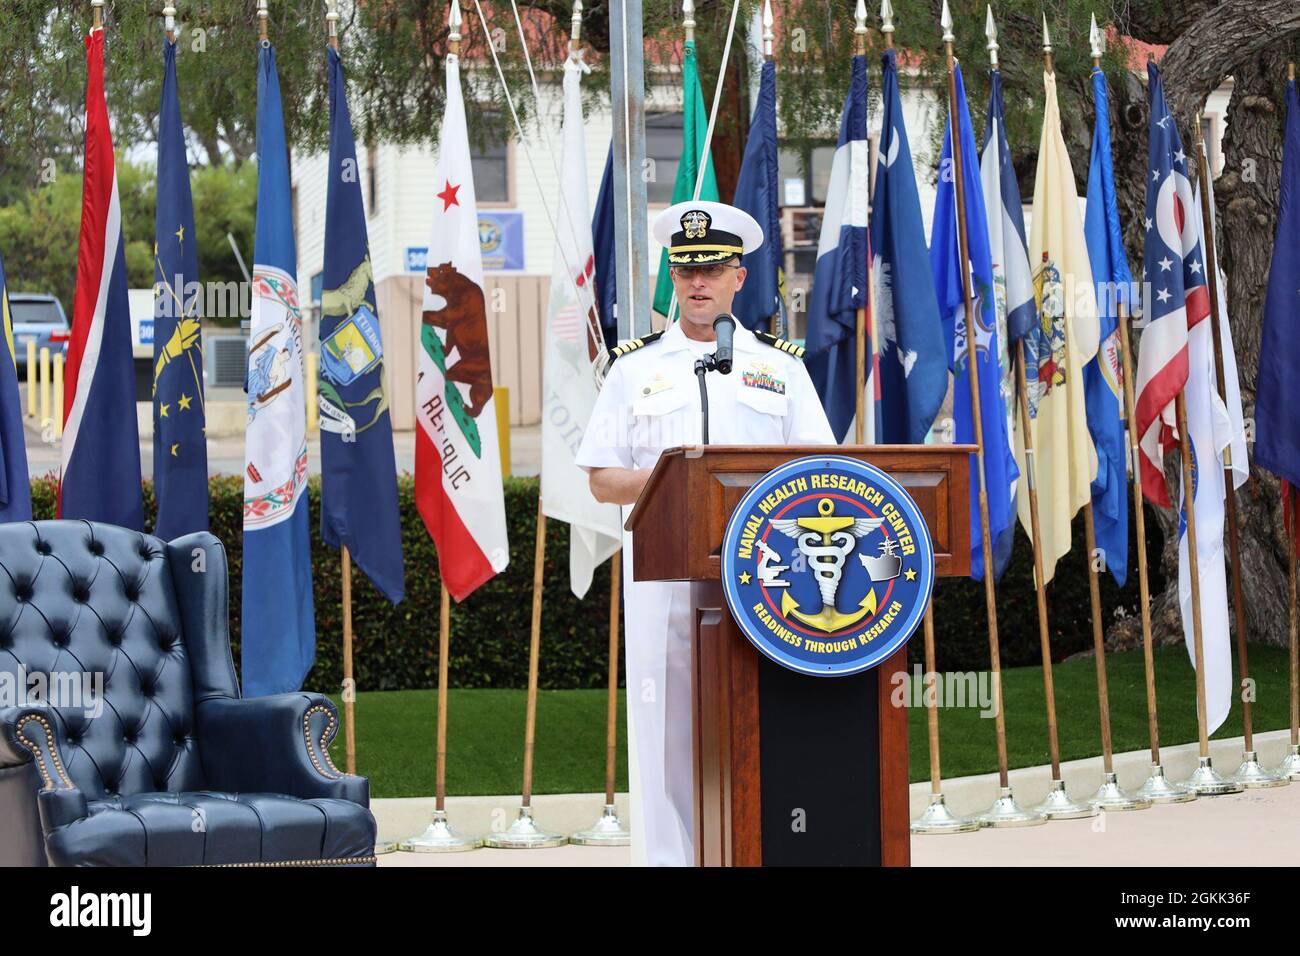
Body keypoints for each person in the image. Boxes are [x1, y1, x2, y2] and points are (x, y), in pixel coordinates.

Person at [575, 200, 835, 866]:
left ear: (738, 278)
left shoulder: (782, 368)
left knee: (764, 719)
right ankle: (672, 859)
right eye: (686, 269)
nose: (698, 283)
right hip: (665, 580)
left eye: (713, 269)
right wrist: (682, 485)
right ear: (671, 274)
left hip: (769, 581)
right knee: (669, 730)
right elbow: (602, 477)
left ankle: (761, 846)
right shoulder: (634, 369)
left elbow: (822, 470)